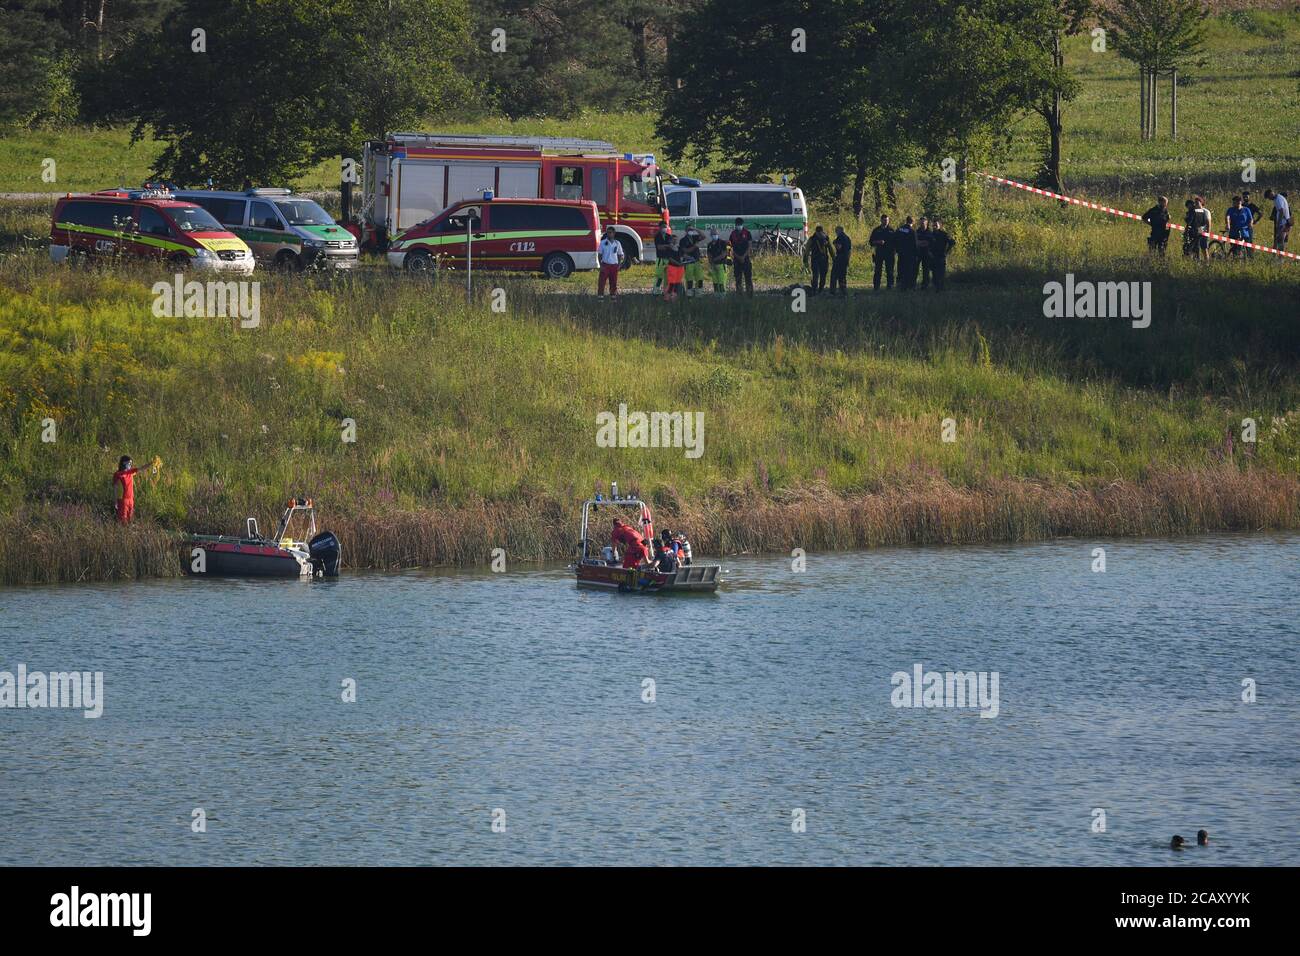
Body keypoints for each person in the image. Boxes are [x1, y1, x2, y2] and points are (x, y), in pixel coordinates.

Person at [112, 455, 151, 524]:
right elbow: (115, 488)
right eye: (129, 463)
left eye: (131, 463)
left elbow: (142, 468)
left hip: (131, 499)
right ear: (124, 463)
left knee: (130, 518)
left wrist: (151, 463)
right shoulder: (117, 474)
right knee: (122, 520)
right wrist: (115, 501)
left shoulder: (131, 472)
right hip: (122, 500)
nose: (130, 465)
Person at [803, 224, 832, 295]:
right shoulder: (826, 238)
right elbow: (831, 249)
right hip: (822, 259)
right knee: (821, 275)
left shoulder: (812, 239)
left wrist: (805, 260)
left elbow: (807, 250)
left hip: (817, 259)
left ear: (816, 231)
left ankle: (816, 290)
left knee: (818, 275)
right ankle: (818, 290)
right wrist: (834, 258)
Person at [728, 217, 754, 296]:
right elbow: (730, 246)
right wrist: (737, 256)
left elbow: (749, 246)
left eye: (740, 224)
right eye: (737, 225)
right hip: (736, 258)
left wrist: (743, 256)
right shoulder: (732, 234)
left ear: (742, 225)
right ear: (735, 225)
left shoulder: (747, 233)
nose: (738, 226)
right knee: (738, 278)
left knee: (748, 278)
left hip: (745, 258)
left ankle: (750, 295)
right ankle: (739, 294)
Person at [869, 214, 895, 290]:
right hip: (879, 253)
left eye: (887, 220)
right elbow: (871, 242)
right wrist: (878, 242)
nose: (886, 221)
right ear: (881, 220)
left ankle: (890, 286)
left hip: (889, 253)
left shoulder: (891, 230)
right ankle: (876, 287)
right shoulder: (876, 230)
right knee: (877, 270)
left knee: (890, 270)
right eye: (884, 220)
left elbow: (895, 242)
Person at [927, 218, 954, 291]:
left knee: (941, 274)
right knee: (934, 274)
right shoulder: (931, 234)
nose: (934, 226)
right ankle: (936, 288)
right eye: (934, 224)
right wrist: (929, 252)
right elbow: (928, 244)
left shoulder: (944, 234)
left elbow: (952, 242)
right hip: (932, 257)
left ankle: (941, 288)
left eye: (936, 224)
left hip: (941, 256)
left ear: (940, 225)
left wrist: (946, 252)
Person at [597, 226, 624, 297]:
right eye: (607, 232)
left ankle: (613, 297)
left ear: (614, 233)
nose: (608, 234)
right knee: (601, 283)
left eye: (610, 232)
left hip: (614, 266)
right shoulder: (603, 242)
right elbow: (599, 255)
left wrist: (619, 265)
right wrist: (601, 265)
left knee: (613, 283)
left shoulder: (617, 243)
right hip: (605, 265)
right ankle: (600, 298)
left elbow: (620, 255)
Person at [679, 225, 705, 296]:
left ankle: (699, 294)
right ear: (686, 231)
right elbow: (685, 250)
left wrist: (695, 229)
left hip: (697, 261)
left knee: (699, 278)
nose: (690, 230)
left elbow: (703, 236)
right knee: (689, 280)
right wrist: (694, 246)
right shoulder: (683, 240)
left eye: (691, 229)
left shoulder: (694, 237)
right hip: (688, 262)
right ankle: (689, 295)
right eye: (689, 229)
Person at [894, 216, 919, 289]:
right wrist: (917, 254)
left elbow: (895, 239)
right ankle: (908, 285)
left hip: (901, 253)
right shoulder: (912, 231)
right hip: (910, 254)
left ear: (906, 221)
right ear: (913, 222)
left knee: (900, 269)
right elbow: (915, 244)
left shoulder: (899, 229)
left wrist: (897, 249)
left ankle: (899, 284)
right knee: (909, 270)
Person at [706, 228, 729, 294]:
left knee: (721, 282)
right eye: (713, 234)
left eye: (715, 234)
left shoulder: (722, 243)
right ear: (710, 235)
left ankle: (722, 298)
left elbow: (724, 254)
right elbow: (709, 254)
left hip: (721, 265)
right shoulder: (709, 244)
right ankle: (716, 297)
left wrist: (714, 259)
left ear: (718, 234)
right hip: (713, 266)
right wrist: (710, 262)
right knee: (715, 282)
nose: (714, 235)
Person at [830, 225, 851, 296]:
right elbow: (849, 250)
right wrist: (848, 259)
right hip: (845, 258)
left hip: (840, 257)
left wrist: (834, 243)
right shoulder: (848, 238)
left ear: (839, 230)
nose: (836, 232)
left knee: (834, 274)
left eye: (836, 231)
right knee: (842, 275)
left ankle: (833, 291)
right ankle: (843, 291)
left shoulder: (840, 237)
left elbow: (839, 247)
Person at [652, 222, 673, 290]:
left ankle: (665, 292)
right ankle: (656, 292)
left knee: (667, 278)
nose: (665, 228)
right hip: (660, 259)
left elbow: (671, 246)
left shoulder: (669, 236)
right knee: (659, 277)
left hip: (668, 259)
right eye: (663, 227)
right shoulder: (657, 237)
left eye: (666, 227)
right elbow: (659, 247)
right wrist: (667, 246)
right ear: (660, 227)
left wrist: (665, 246)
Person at [1191, 196, 1212, 261]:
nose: (1196, 204)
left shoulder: (1206, 211)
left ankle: (1207, 263)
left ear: (1201, 203)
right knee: (1195, 248)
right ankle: (1197, 261)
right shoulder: (1194, 211)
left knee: (1204, 249)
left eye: (1197, 203)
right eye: (1195, 203)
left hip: (1204, 232)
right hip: (1196, 232)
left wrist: (1208, 233)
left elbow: (1208, 223)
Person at [916, 217, 932, 288]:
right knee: (915, 269)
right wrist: (923, 242)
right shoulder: (917, 231)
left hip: (926, 253)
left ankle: (925, 285)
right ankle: (913, 284)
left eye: (923, 222)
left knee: (926, 269)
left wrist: (921, 243)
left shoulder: (929, 232)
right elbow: (916, 242)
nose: (922, 224)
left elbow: (929, 243)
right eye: (921, 222)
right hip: (918, 253)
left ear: (926, 223)